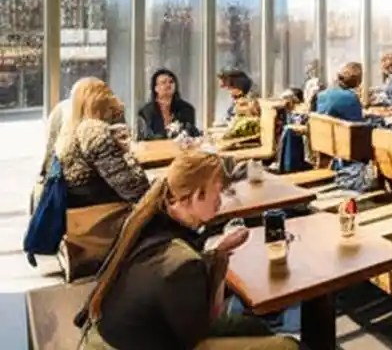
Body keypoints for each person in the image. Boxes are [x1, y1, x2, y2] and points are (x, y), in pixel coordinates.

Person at [77, 150, 298, 349]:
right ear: (195, 195)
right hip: (141, 342)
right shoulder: (181, 263)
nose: (220, 201)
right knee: (285, 345)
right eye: (218, 192)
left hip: (109, 337)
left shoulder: (146, 222)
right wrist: (219, 261)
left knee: (249, 325)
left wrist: (218, 254)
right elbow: (198, 332)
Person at [57, 78, 150, 208]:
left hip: (74, 202)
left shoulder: (70, 129)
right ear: (101, 102)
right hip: (98, 207)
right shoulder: (95, 131)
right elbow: (135, 189)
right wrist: (126, 153)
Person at [136, 69, 201, 141]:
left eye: (171, 82)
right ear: (156, 88)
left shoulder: (187, 109)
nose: (168, 85)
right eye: (163, 82)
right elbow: (145, 138)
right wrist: (167, 134)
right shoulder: (145, 112)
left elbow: (191, 133)